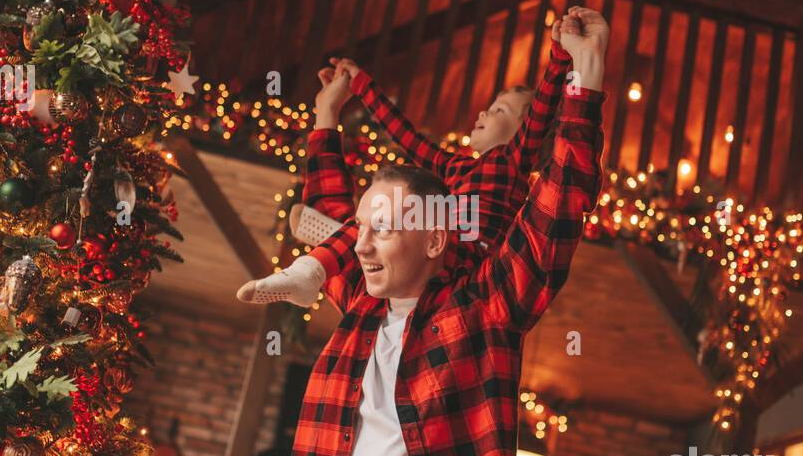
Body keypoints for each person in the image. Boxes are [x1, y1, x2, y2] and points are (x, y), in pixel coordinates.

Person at [247, 7, 609, 456]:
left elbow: (557, 206)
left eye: (382, 229)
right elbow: (331, 206)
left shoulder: (486, 308)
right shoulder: (360, 300)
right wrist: (329, 112)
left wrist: (583, 73)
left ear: (436, 239)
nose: (362, 243)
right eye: (365, 228)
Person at [235, 18, 574, 306]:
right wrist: (363, 86)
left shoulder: (512, 162)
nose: (484, 111)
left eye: (500, 110)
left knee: (393, 218)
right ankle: (338, 246)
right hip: (434, 253)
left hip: (470, 259)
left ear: (524, 133)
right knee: (383, 223)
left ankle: (322, 256)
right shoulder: (455, 165)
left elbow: (543, 112)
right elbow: (405, 135)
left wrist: (559, 58)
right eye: (489, 105)